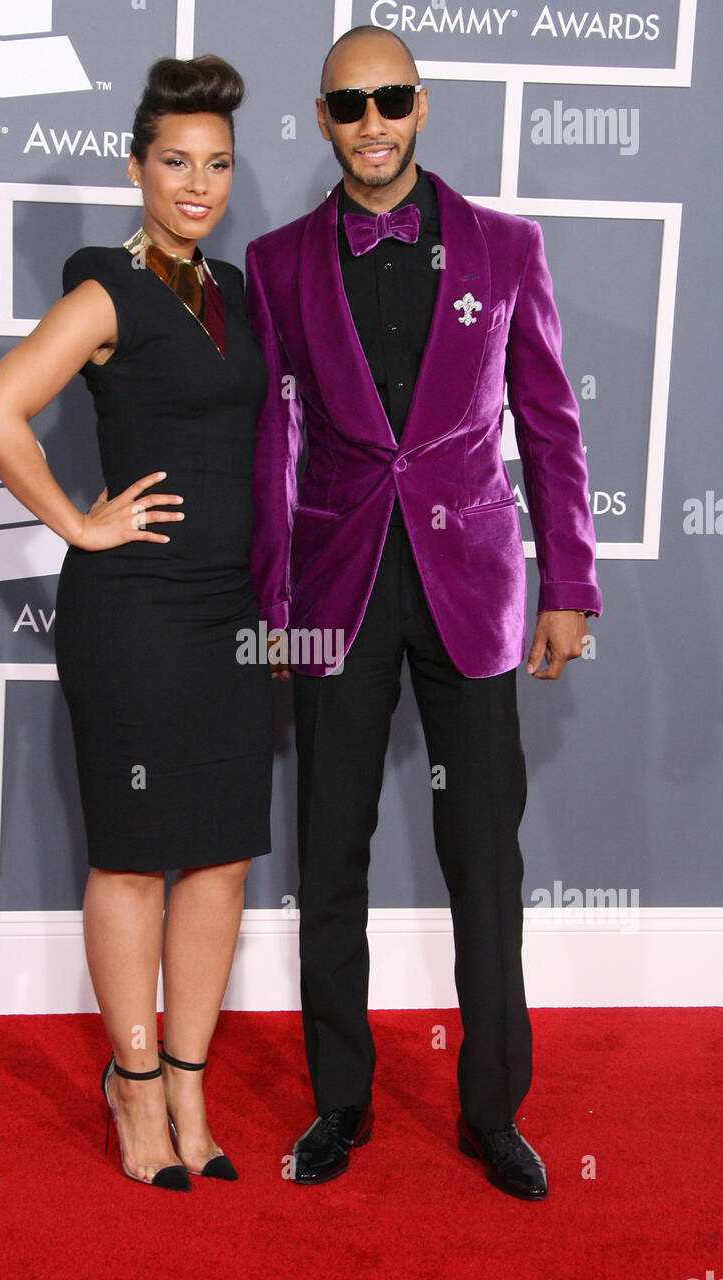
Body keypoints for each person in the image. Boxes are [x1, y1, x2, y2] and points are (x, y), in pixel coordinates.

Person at [244, 25, 603, 1198]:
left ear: (422, 104)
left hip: (474, 588)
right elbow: (275, 442)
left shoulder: (505, 248)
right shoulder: (278, 261)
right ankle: (337, 1102)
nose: (372, 122)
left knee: (482, 860)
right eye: (349, 105)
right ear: (321, 119)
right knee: (327, 852)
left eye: (390, 99)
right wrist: (271, 607)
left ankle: (492, 1109)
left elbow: (548, 425)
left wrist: (569, 586)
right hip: (337, 588)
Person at [0, 55, 275, 1191]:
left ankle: (191, 1083)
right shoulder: (107, 285)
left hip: (231, 613)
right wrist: (76, 525)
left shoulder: (241, 292)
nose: (197, 185)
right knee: (137, 859)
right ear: (137, 166)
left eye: (217, 166)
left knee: (223, 861)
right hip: (134, 615)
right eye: (175, 162)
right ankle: (133, 1085)